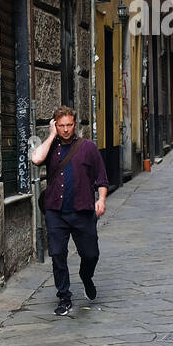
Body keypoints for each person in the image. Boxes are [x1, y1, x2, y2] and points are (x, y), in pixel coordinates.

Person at [29, 106, 109, 316]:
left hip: (82, 210)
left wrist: (101, 199)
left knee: (91, 254)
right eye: (61, 125)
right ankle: (64, 296)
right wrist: (50, 135)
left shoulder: (87, 148)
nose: (65, 130)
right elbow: (36, 159)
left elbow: (101, 177)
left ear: (75, 125)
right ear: (56, 125)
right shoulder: (51, 147)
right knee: (57, 254)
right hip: (56, 211)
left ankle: (86, 275)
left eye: (69, 125)